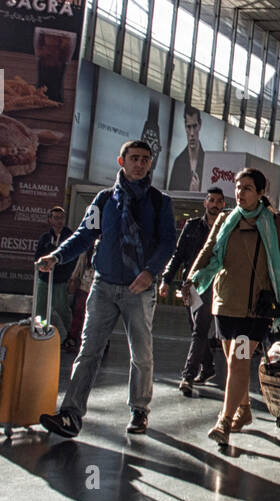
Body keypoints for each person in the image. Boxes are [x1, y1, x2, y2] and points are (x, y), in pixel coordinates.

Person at [36, 140, 177, 438]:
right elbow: (85, 236)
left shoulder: (159, 202)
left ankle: (139, 409)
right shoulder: (103, 200)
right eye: (134, 158)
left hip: (139, 290)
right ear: (121, 161)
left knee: (141, 353)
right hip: (103, 285)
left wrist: (151, 272)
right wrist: (57, 256)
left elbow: (168, 243)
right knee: (88, 350)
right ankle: (71, 415)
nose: (140, 163)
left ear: (150, 164)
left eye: (145, 159)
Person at [186, 168, 280, 445]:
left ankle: (224, 421)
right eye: (238, 187)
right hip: (224, 302)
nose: (240, 193)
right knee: (233, 361)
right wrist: (191, 279)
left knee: (239, 361)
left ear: (260, 193)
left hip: (254, 309)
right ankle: (243, 410)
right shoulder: (225, 220)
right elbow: (208, 251)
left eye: (247, 188)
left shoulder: (273, 222)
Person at [158, 187, 227, 397]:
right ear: (205, 203)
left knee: (199, 330)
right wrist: (166, 280)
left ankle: (188, 376)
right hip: (191, 285)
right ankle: (207, 367)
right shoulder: (192, 226)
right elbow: (178, 255)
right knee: (196, 329)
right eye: (211, 200)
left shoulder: (227, 228)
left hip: (211, 284)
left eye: (219, 201)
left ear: (223, 205)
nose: (215, 204)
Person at [35, 206, 75, 346]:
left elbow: (72, 258)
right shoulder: (45, 238)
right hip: (45, 278)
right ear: (50, 220)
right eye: (56, 218)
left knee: (61, 307)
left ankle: (70, 334)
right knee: (40, 307)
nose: (59, 221)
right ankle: (39, 331)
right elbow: (38, 256)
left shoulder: (69, 237)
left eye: (61, 218)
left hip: (60, 280)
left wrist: (70, 277)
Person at [167, 106, 206, 192]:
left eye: (194, 126)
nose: (192, 133)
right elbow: (172, 198)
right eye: (189, 127)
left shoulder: (208, 162)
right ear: (185, 128)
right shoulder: (178, 162)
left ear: (200, 125)